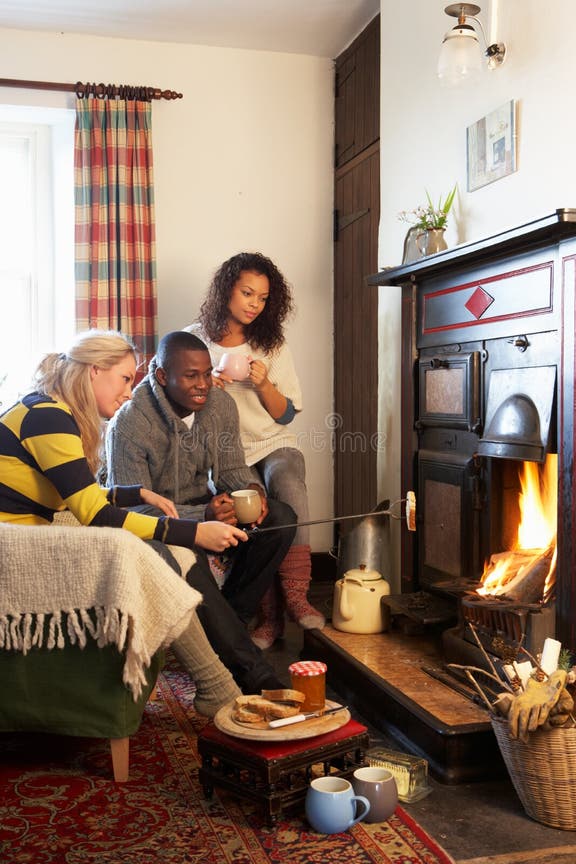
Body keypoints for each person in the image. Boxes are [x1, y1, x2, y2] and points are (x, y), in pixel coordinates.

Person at [0, 329, 266, 718]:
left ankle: (218, 685)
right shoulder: (49, 419)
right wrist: (195, 531)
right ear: (94, 371)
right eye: (125, 378)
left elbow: (78, 495)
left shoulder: (51, 410)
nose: (129, 391)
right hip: (14, 546)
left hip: (26, 533)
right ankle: (217, 686)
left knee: (162, 550)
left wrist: (134, 493)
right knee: (152, 550)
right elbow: (96, 515)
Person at [105, 330, 296, 682]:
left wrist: (250, 491)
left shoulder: (221, 405)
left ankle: (228, 625)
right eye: (190, 376)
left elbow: (232, 469)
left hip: (201, 505)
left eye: (207, 373)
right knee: (188, 557)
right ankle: (253, 673)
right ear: (162, 376)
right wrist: (201, 518)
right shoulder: (129, 423)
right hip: (156, 523)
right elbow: (131, 512)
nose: (203, 384)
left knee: (281, 518)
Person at [186, 251, 325, 650]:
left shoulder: (272, 345)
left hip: (272, 442)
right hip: (225, 453)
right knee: (254, 507)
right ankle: (269, 617)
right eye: (247, 292)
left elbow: (285, 417)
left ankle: (296, 596)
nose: (254, 304)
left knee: (288, 481)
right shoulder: (193, 341)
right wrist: (202, 388)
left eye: (262, 298)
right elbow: (176, 408)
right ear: (226, 289)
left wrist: (264, 385)